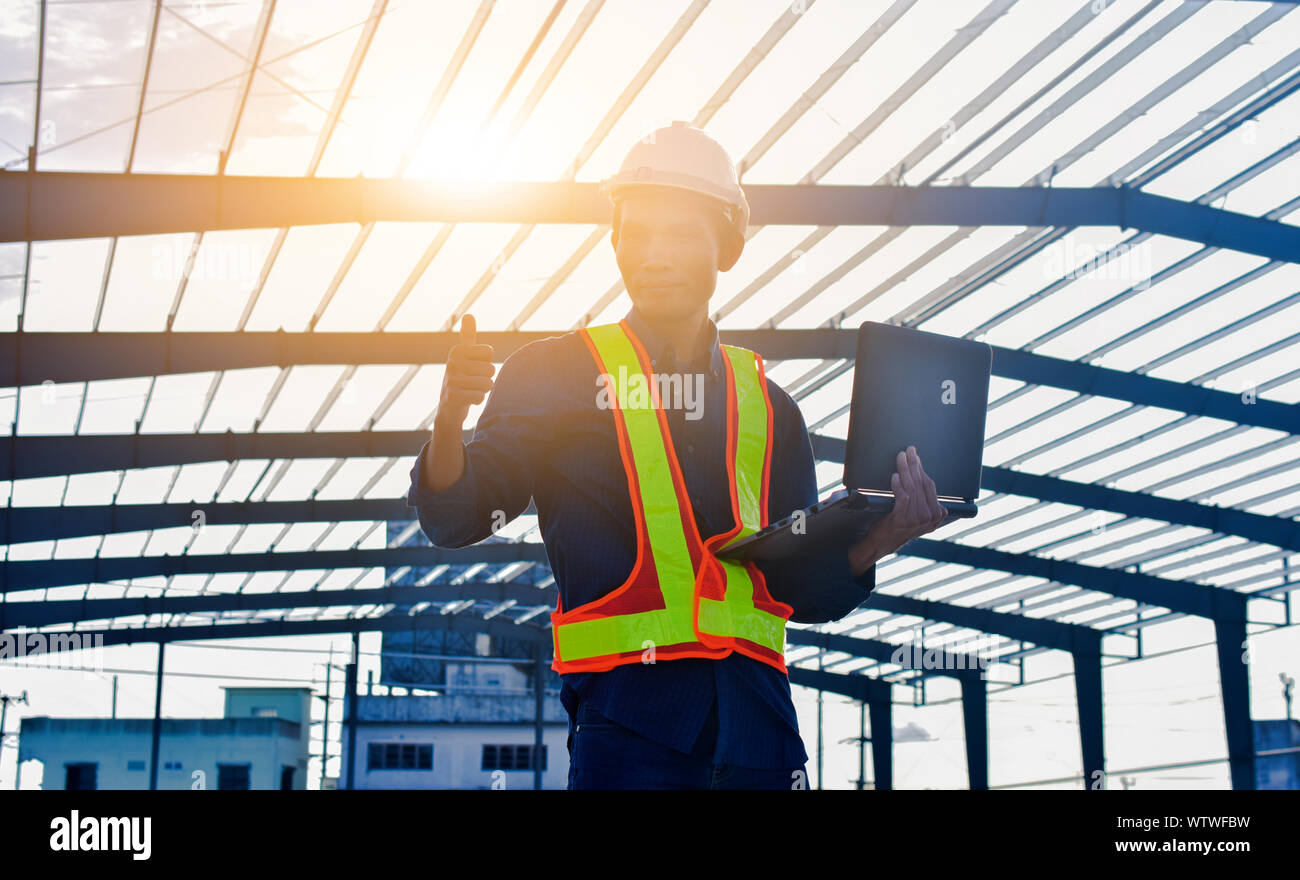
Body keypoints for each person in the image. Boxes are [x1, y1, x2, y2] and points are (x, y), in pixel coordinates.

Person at [407, 121, 948, 790]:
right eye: (635, 233)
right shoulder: (554, 373)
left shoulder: (770, 407)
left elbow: (793, 585)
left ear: (726, 247)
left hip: (760, 737)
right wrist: (449, 422)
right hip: (631, 732)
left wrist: (884, 536)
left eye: (679, 234)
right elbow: (457, 517)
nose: (653, 255)